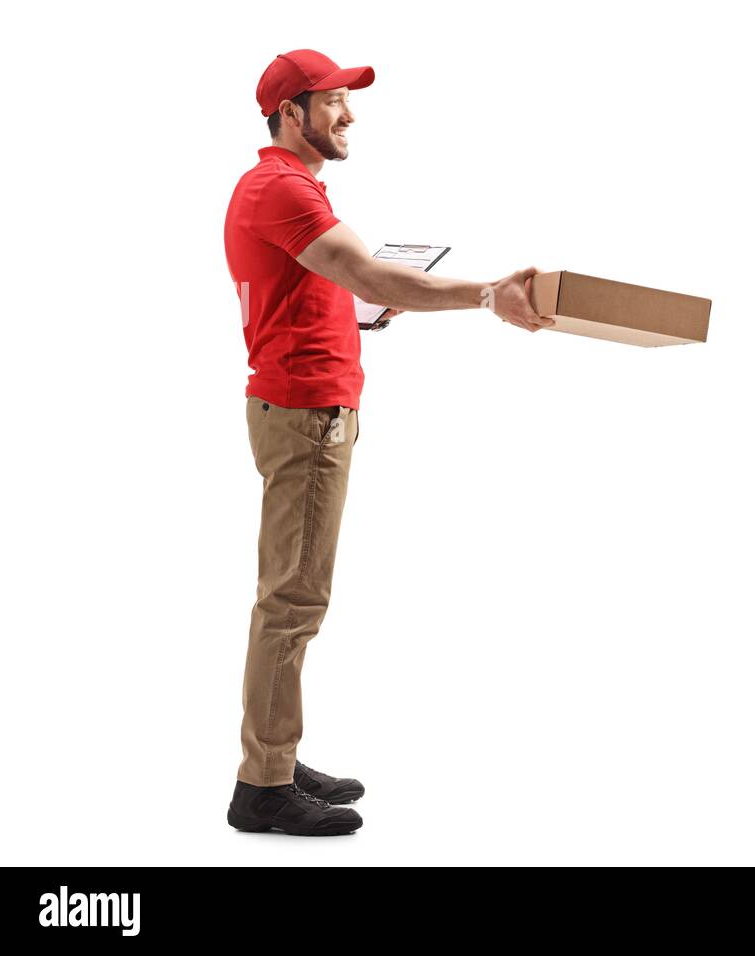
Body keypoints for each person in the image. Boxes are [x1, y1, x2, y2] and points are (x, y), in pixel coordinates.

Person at [223, 49, 552, 837]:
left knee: (296, 595)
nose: (349, 115)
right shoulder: (283, 188)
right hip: (306, 413)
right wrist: (485, 295)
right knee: (293, 599)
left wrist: (360, 312)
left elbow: (330, 289)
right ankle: (261, 785)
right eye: (333, 101)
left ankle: (277, 750)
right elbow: (366, 275)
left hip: (309, 406)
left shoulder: (283, 188)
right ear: (290, 114)